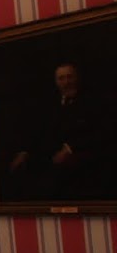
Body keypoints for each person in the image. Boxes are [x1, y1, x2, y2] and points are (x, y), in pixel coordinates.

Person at [7, 62, 111, 201]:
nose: (66, 82)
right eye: (61, 78)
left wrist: (69, 149)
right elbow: (41, 133)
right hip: (51, 160)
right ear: (56, 82)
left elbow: (102, 132)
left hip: (86, 161)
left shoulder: (94, 101)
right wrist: (25, 152)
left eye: (70, 77)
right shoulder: (50, 104)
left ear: (77, 78)